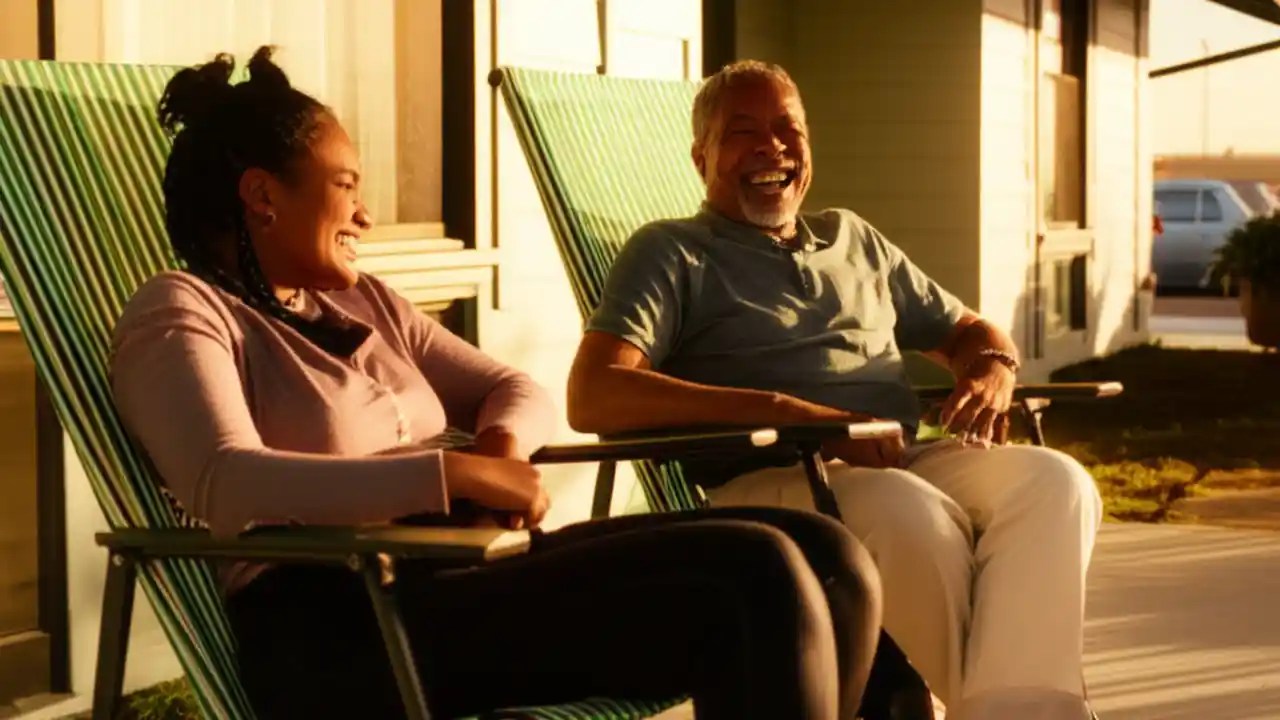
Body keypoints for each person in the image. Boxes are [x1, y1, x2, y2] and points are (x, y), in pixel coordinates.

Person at [108, 48, 884, 720]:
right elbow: (226, 484)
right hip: (342, 623)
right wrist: (451, 477)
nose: (366, 215)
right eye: (345, 185)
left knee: (826, 554)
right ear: (261, 195)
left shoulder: (361, 301)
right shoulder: (180, 311)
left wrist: (499, 453)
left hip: (466, 575)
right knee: (757, 576)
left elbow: (514, 388)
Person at [567, 60, 1104, 720]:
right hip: (775, 472)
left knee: (1057, 483)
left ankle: (1009, 711)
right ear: (700, 157)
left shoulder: (852, 237)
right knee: (910, 515)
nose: (772, 147)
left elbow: (967, 329)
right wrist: (795, 415)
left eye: (788, 129)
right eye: (743, 132)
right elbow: (594, 393)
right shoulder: (671, 251)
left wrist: (994, 366)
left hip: (900, 457)